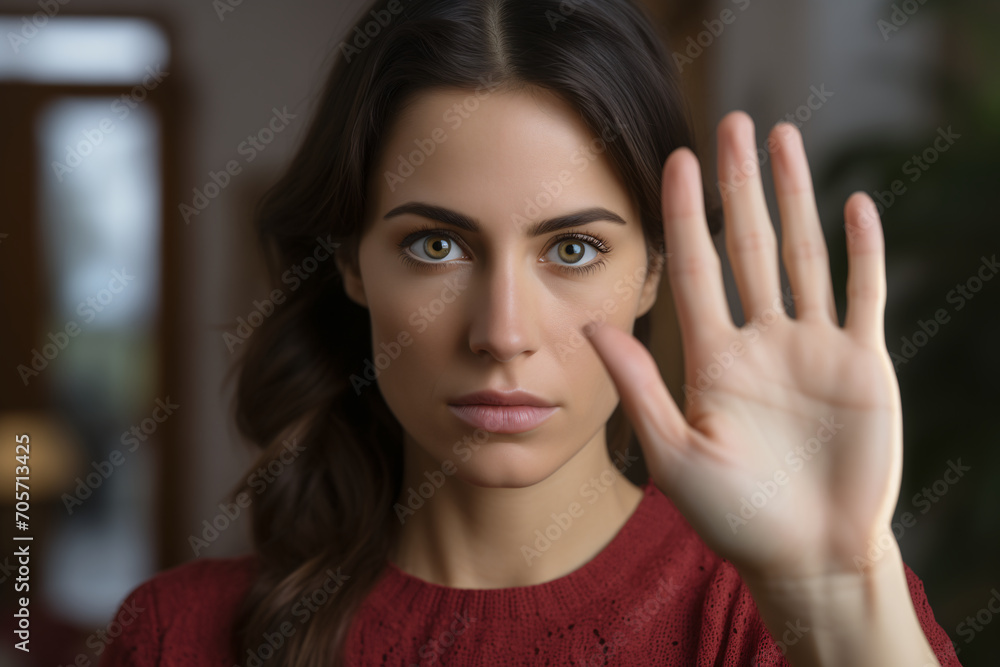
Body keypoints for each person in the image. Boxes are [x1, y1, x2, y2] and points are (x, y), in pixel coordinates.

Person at [100, 0, 963, 665]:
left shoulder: (774, 618)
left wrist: (838, 589)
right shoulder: (174, 636)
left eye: (574, 248)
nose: (502, 332)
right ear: (352, 262)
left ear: (655, 269)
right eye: (435, 245)